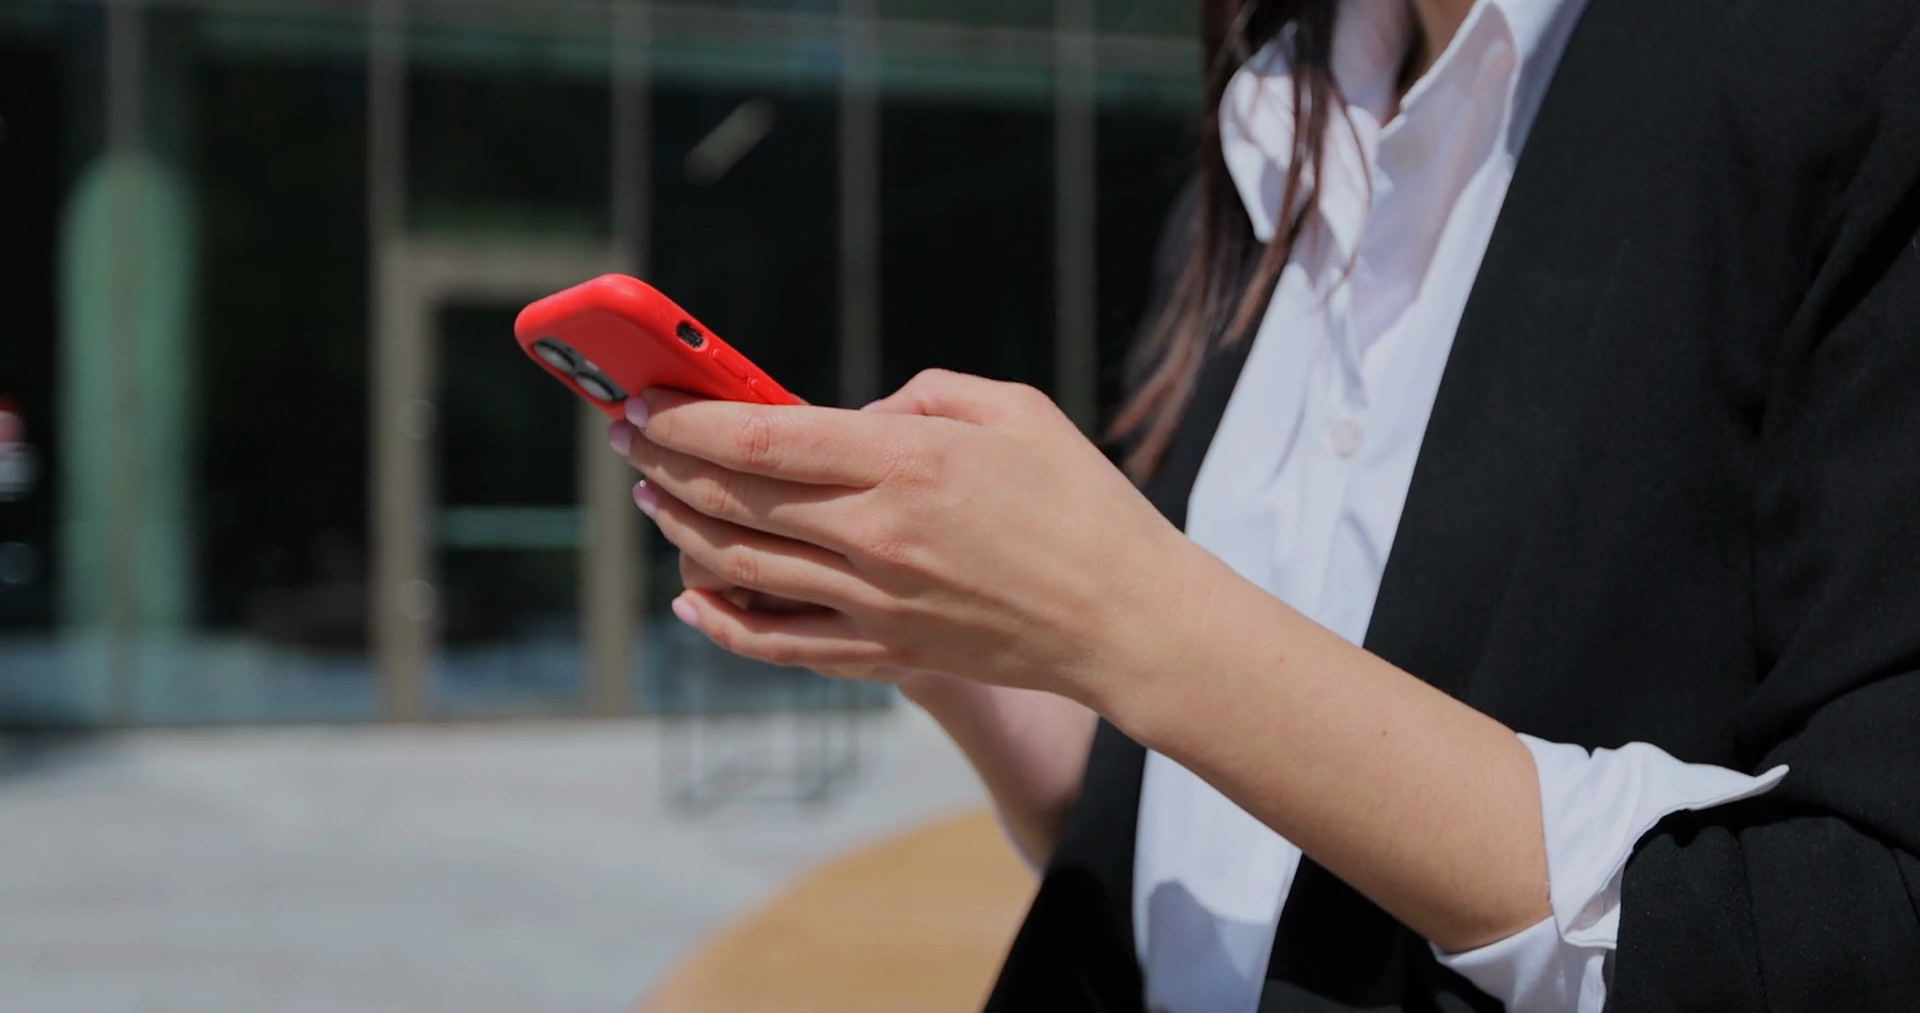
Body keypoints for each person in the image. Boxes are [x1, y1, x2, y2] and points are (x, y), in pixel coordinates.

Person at [604, 0, 1920, 1008]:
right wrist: (944, 626)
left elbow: (1857, 922)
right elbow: (1180, 833)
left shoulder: (1840, 71)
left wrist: (1128, 612)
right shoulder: (1275, 134)